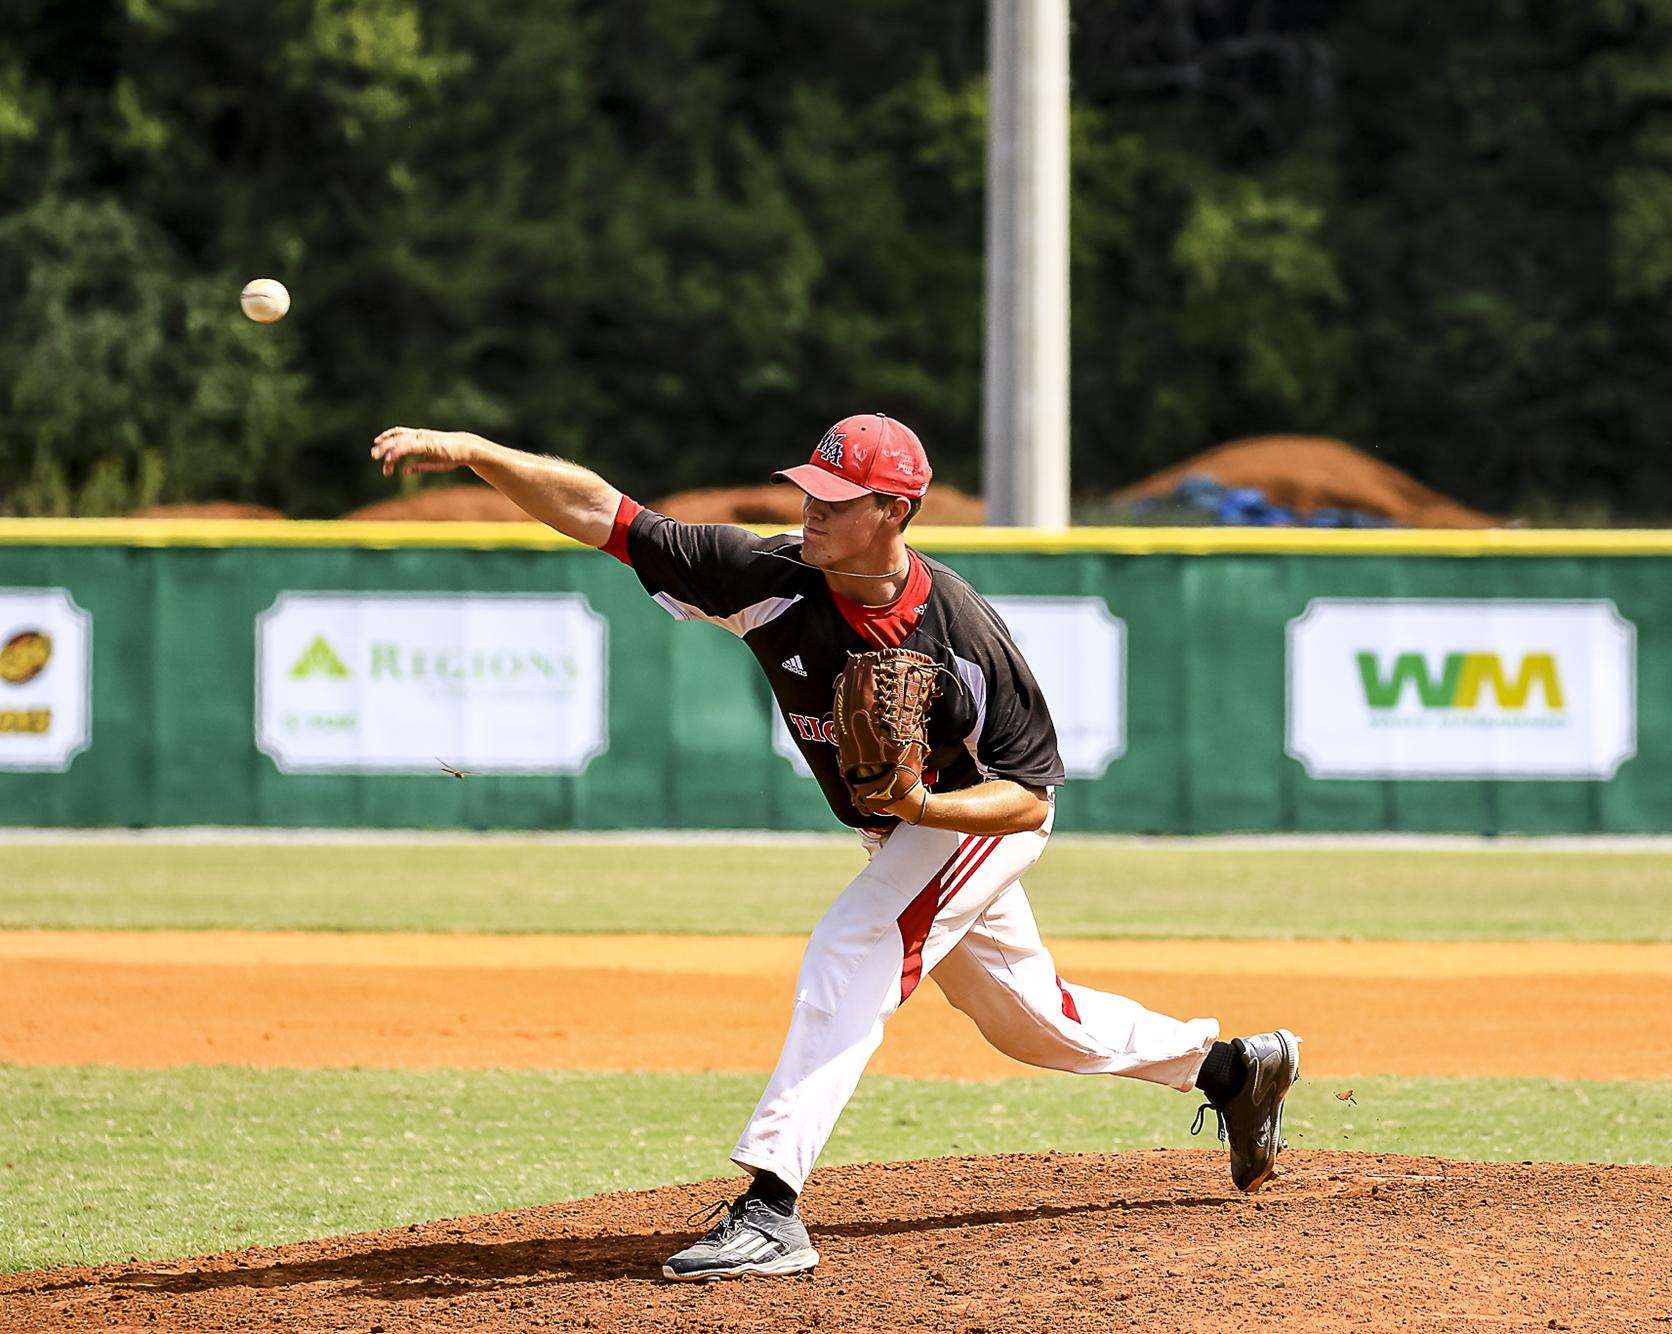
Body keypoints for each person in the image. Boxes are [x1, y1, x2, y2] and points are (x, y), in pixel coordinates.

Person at [369, 414, 1300, 1281]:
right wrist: (478, 451)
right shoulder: (768, 577)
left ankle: (773, 1205)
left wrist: (926, 805)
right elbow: (609, 516)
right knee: (1029, 1022)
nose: (810, 510)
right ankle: (1230, 1067)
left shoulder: (961, 633)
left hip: (968, 824)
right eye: (809, 491)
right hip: (899, 827)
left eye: (835, 498)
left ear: (894, 511)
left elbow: (1028, 797)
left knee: (853, 945)